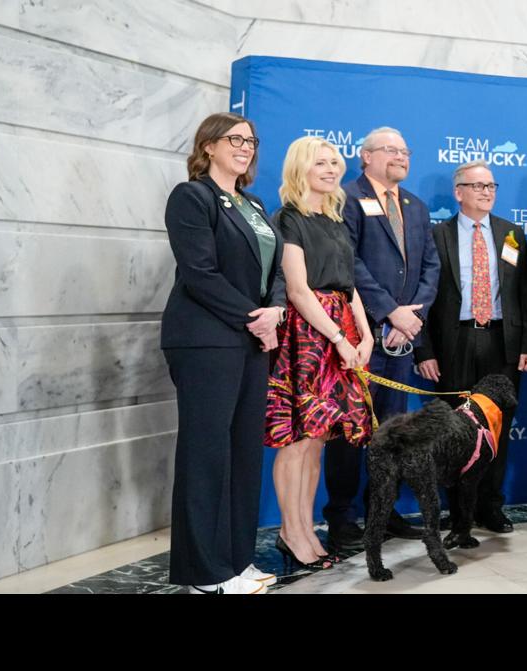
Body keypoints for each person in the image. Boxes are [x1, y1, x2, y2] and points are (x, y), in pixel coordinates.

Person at [160, 112, 287, 594]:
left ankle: (236, 561)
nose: (245, 147)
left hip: (250, 340)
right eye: (235, 139)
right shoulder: (191, 197)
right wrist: (255, 316)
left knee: (242, 454)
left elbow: (275, 270)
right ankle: (204, 574)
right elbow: (200, 273)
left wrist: (275, 310)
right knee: (206, 455)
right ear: (208, 145)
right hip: (205, 341)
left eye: (251, 140)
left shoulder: (254, 203)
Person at [322, 126, 440, 551]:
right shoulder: (345, 198)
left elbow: (431, 266)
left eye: (405, 151)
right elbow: (349, 263)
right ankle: (341, 517)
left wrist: (412, 316)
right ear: (366, 157)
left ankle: (383, 511)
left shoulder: (415, 206)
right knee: (350, 429)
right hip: (359, 336)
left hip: (402, 338)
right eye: (391, 150)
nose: (401, 157)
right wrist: (390, 311)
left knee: (392, 431)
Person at [266, 135, 376, 571]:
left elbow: (349, 287)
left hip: (340, 330)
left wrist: (364, 334)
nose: (331, 170)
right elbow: (297, 290)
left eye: (335, 163)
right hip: (308, 336)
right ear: (301, 169)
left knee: (317, 441)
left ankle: (306, 529)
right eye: (321, 163)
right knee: (296, 440)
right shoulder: (288, 218)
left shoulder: (335, 219)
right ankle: (290, 531)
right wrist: (337, 338)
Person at [419, 160, 527, 533]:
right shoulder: (437, 235)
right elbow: (422, 298)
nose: (487, 192)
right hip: (454, 341)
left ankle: (490, 506)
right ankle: (459, 511)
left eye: (491, 186)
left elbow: (525, 293)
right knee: (456, 429)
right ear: (459, 193)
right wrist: (424, 351)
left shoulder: (512, 234)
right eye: (478, 186)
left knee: (496, 427)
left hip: (502, 342)